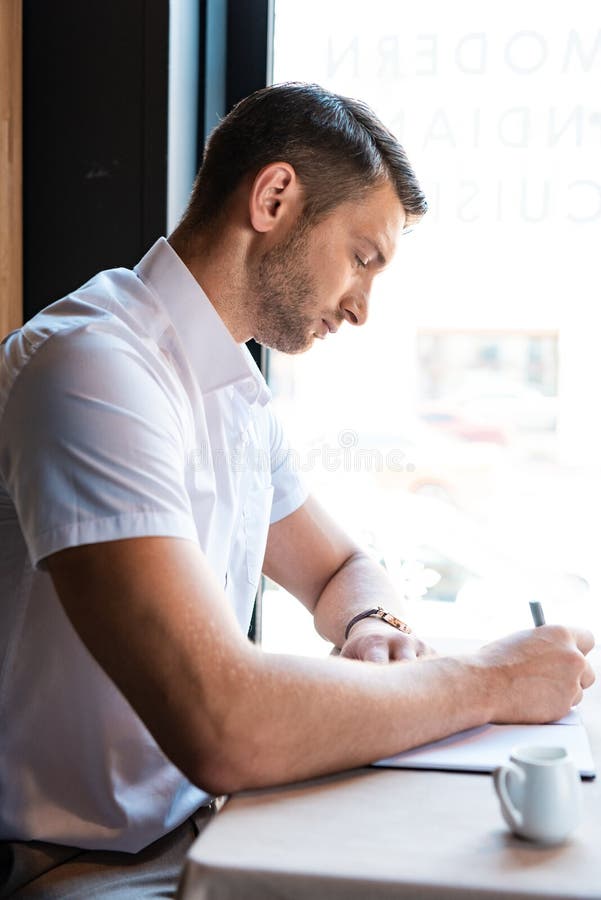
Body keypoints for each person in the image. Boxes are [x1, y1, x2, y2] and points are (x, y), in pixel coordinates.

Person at [0, 82, 595, 898]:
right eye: (361, 258)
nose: (361, 309)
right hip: (81, 872)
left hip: (199, 830)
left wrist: (371, 623)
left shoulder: (232, 394)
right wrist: (491, 682)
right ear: (275, 197)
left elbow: (339, 565)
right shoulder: (92, 370)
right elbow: (222, 723)